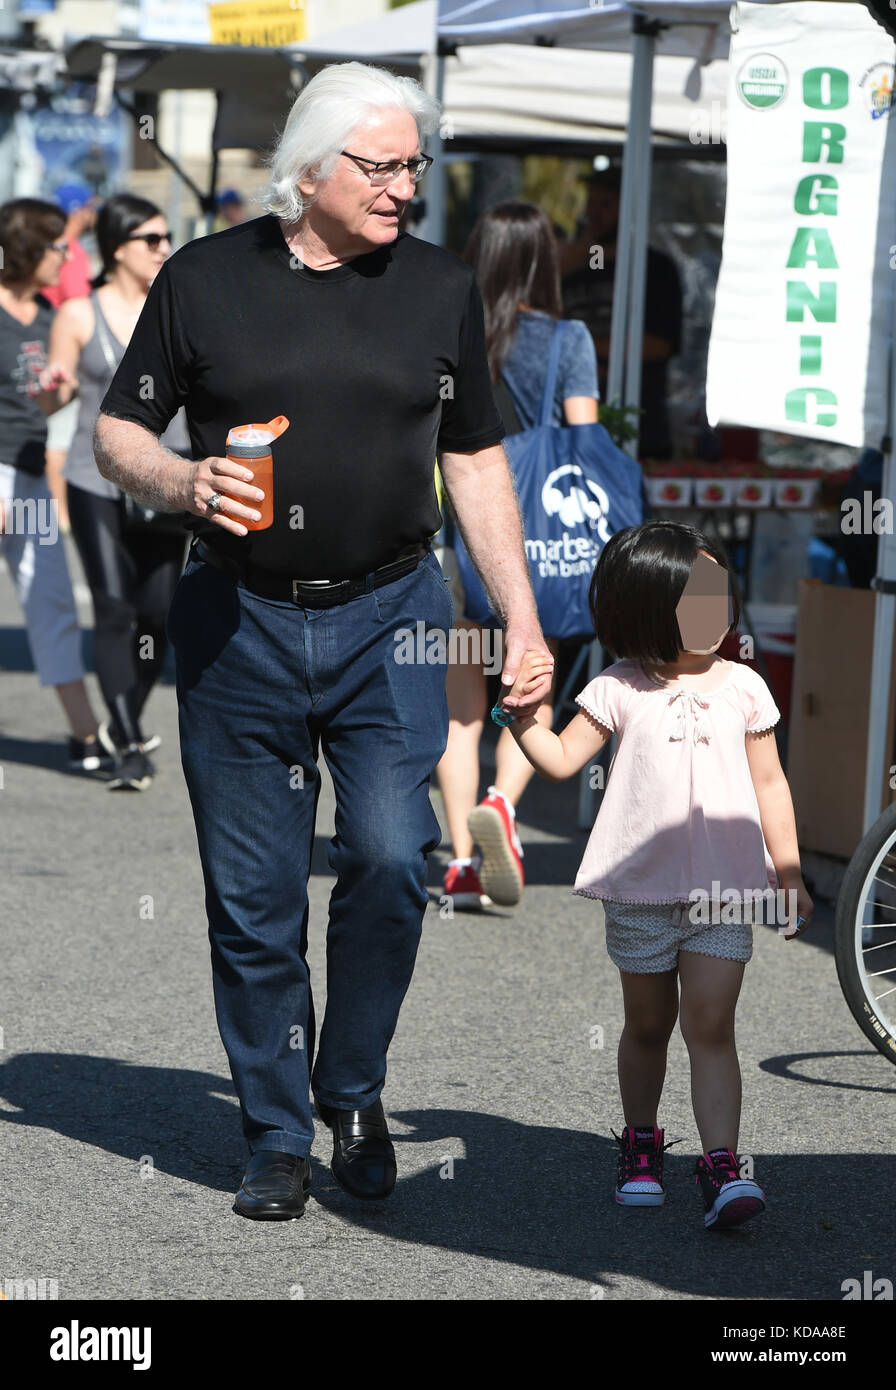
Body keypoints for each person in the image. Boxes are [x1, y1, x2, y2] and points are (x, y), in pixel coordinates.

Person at [92, 60, 554, 1220]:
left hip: (392, 614)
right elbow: (114, 433)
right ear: (310, 169)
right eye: (384, 164)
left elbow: (474, 457)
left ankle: (352, 1088)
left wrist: (521, 614)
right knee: (251, 900)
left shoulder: (438, 286)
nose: (407, 185)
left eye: (415, 164)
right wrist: (185, 481)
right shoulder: (201, 281)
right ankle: (274, 1134)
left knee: (394, 859)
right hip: (236, 619)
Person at [498, 520, 814, 1229]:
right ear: (648, 608)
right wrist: (517, 712)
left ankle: (722, 1166)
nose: (715, 609)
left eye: (718, 593)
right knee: (648, 1024)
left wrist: (789, 870)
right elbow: (555, 759)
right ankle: (641, 1146)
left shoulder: (746, 687)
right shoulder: (616, 687)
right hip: (639, 891)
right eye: (696, 598)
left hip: (727, 891)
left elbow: (771, 784)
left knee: (712, 1023)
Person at [435, 201, 598, 910]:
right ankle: (504, 802)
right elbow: (583, 443)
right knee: (528, 688)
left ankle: (463, 862)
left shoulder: (449, 326)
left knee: (460, 710)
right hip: (539, 546)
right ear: (542, 260)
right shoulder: (568, 339)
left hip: (459, 535)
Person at [49, 193, 191, 791]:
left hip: (167, 476)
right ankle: (127, 733)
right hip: (93, 477)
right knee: (113, 608)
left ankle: (128, 717)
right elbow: (54, 397)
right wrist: (51, 389)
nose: (164, 248)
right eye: (151, 240)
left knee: (156, 615)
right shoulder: (79, 313)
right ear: (116, 247)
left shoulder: (179, 307)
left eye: (166, 238)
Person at [0, 197, 107, 772]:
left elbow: (49, 404)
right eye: (56, 245)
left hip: (32, 475)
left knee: (52, 598)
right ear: (27, 249)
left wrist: (58, 391)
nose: (65, 253)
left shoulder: (48, 315)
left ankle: (87, 736)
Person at [560, 167, 682, 459]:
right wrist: (580, 253)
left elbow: (658, 345)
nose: (595, 213)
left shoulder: (654, 268)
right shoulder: (573, 264)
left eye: (606, 205)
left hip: (638, 429)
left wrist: (586, 353)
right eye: (591, 203)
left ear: (628, 208)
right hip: (570, 428)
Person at [42, 182, 100, 535]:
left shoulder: (56, 248)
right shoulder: (71, 251)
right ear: (79, 210)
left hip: (49, 342)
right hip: (65, 347)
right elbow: (79, 301)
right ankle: (59, 512)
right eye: (90, 207)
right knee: (60, 439)